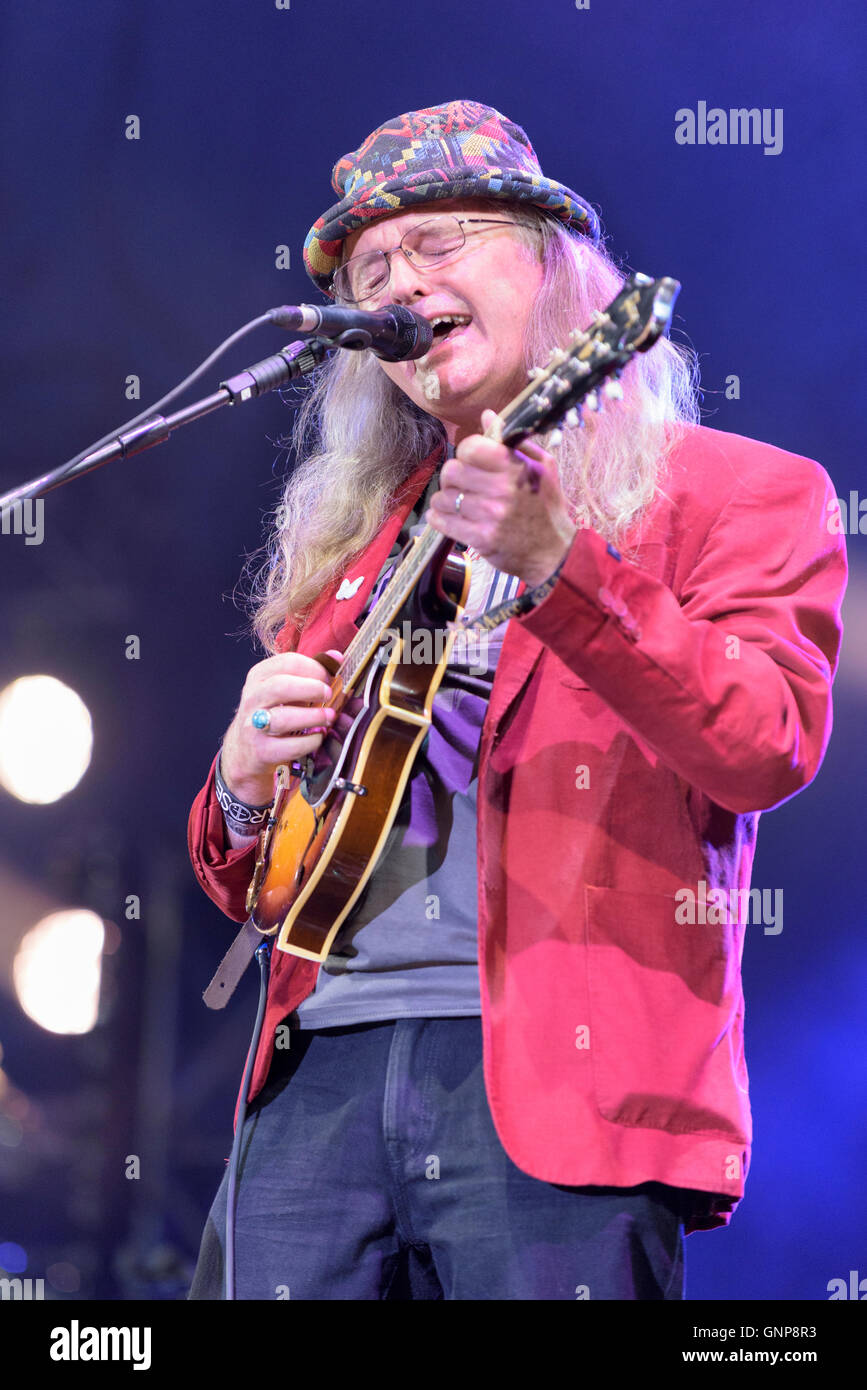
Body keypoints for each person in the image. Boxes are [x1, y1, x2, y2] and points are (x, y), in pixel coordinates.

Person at [186, 99, 846, 1300]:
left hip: (557, 1093)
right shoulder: (357, 548)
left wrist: (563, 570)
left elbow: (766, 742)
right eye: (372, 268)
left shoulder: (744, 497)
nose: (398, 281)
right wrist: (239, 782)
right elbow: (265, 880)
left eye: (439, 243)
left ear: (552, 264)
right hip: (314, 1080)